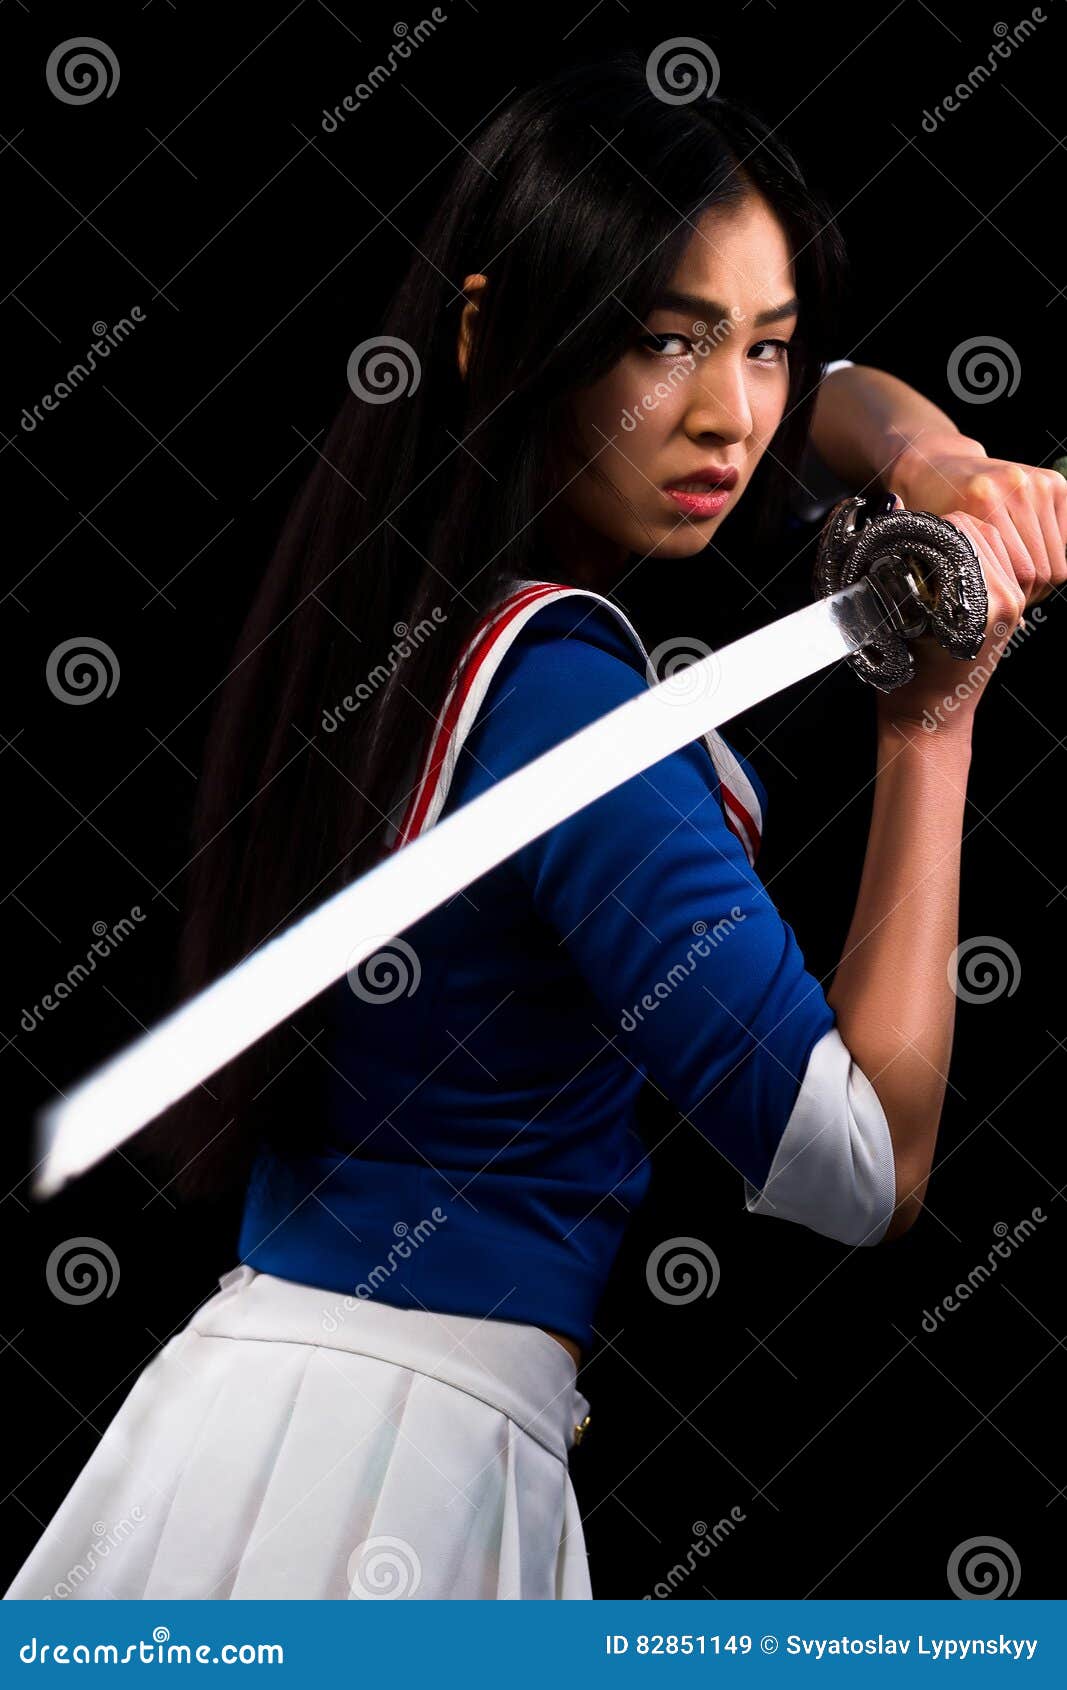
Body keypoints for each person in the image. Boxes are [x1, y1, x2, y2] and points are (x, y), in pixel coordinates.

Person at [7, 48, 1062, 1603]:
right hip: (391, 1469)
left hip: (262, 1414)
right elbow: (862, 1158)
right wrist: (933, 723)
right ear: (499, 332)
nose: (733, 416)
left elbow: (833, 402)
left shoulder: (405, 609)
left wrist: (935, 459)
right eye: (665, 341)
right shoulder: (567, 713)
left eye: (759, 346)